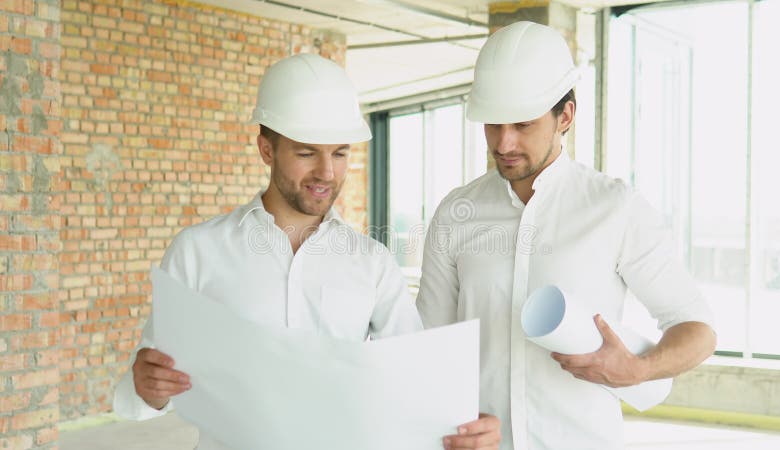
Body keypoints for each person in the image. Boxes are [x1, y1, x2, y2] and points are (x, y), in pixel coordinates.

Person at [113, 53, 500, 450]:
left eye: (339, 153)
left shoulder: (372, 263)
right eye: (306, 153)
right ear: (267, 149)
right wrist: (150, 388)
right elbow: (147, 384)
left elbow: (413, 383)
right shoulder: (197, 252)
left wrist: (465, 427)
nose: (326, 173)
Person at [416, 21, 717, 450]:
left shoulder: (616, 209)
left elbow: (698, 330)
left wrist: (638, 369)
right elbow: (429, 347)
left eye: (522, 124)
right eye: (492, 124)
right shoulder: (455, 214)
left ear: (566, 117)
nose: (503, 142)